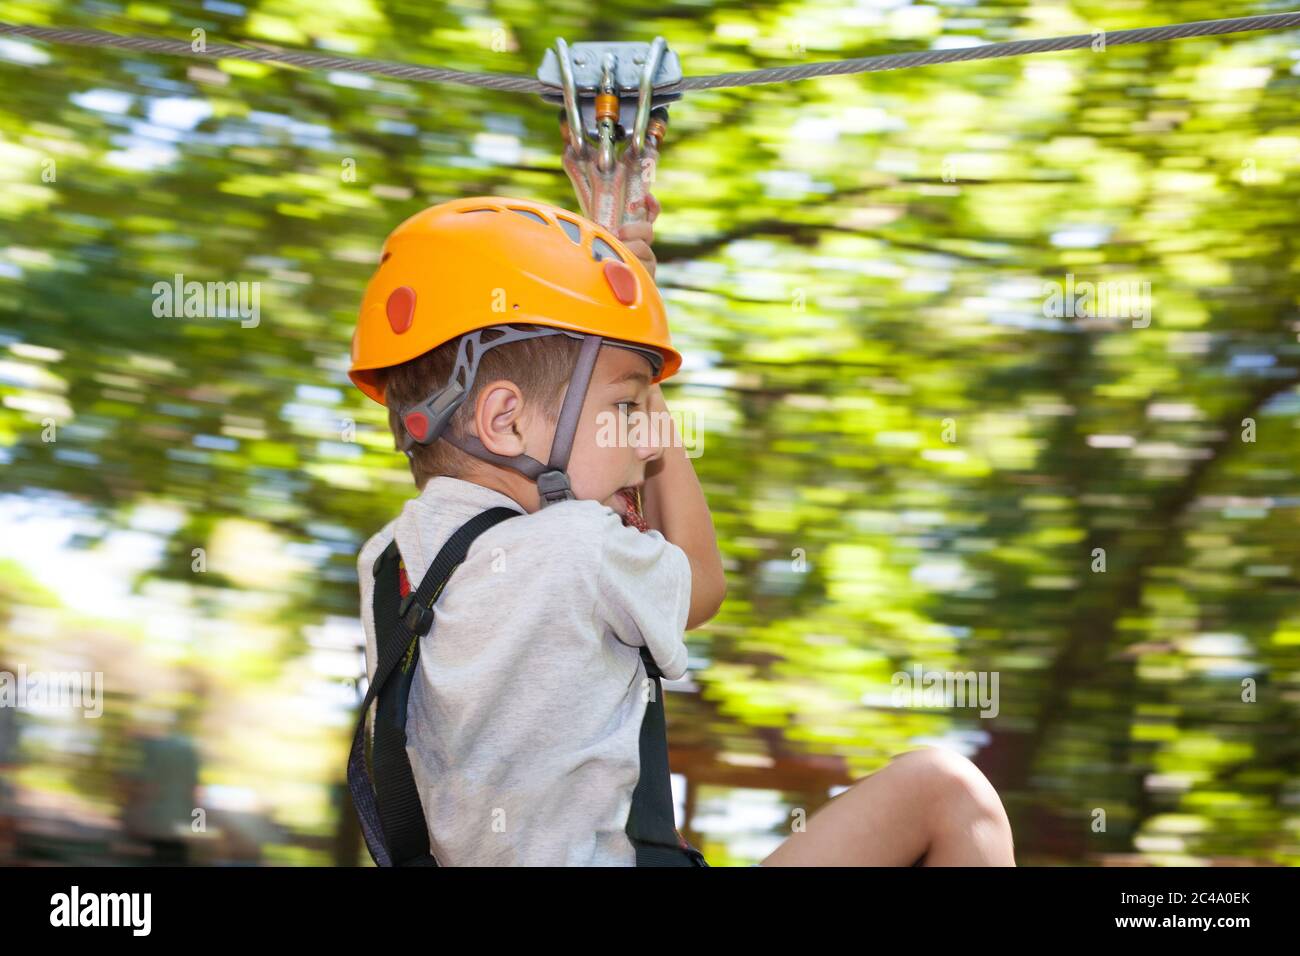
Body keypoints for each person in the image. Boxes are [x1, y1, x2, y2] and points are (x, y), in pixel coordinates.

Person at [348, 195, 1015, 866]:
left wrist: (619, 345)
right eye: (625, 409)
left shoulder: (388, 566)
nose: (646, 446)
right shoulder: (577, 546)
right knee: (946, 791)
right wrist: (636, 348)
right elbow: (701, 583)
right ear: (504, 423)